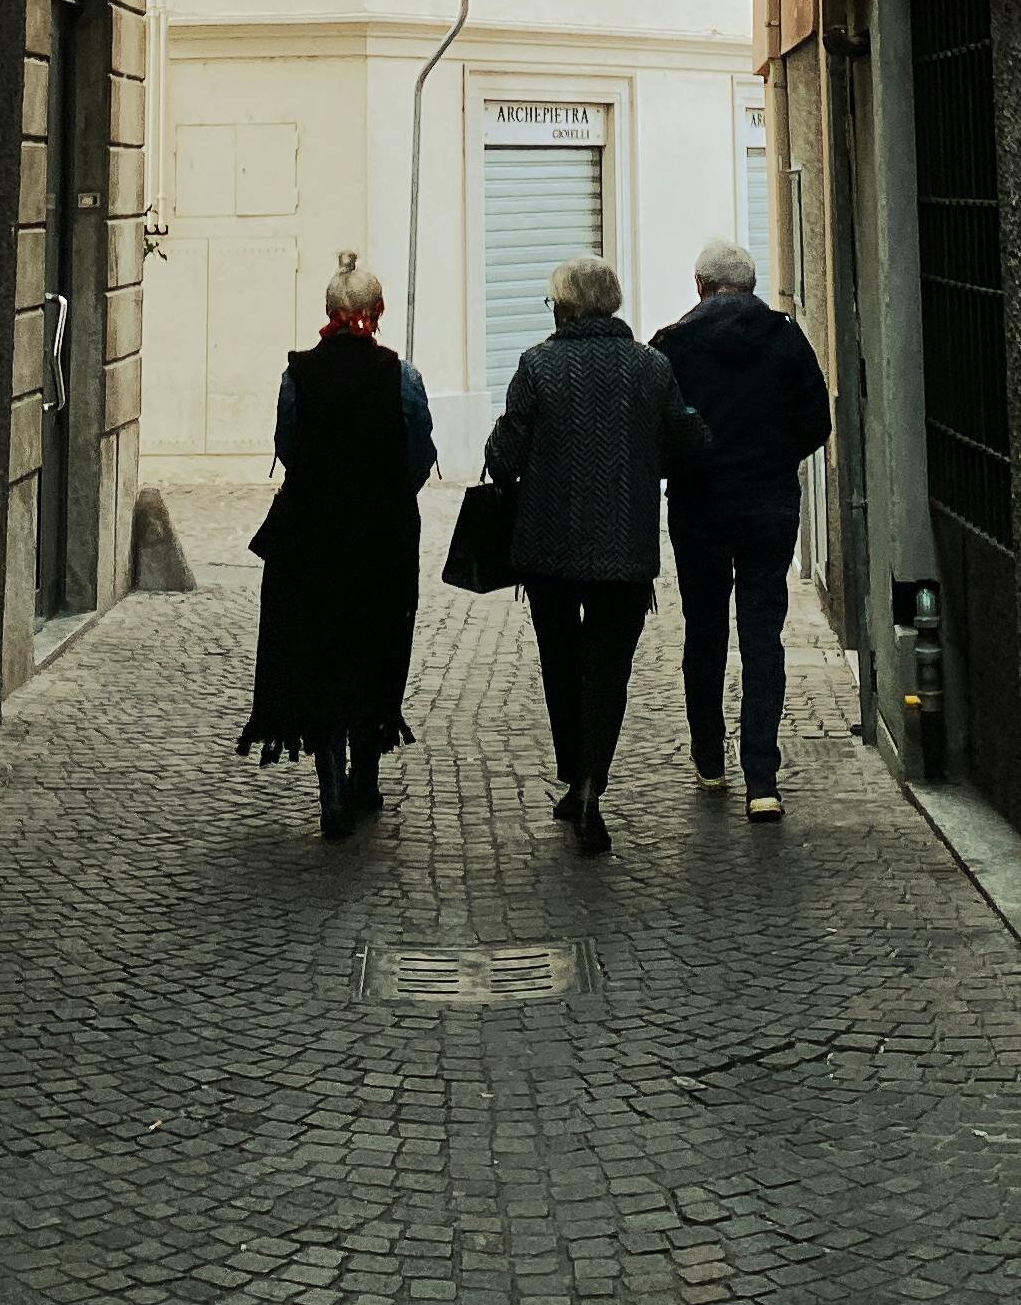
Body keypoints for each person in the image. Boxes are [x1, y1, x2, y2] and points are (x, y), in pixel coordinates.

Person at [484, 254, 709, 858]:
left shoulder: (538, 365)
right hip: (625, 547)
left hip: (549, 552)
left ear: (563, 306)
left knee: (561, 665)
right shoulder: (650, 367)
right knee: (609, 670)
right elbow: (686, 440)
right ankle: (590, 786)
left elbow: (504, 458)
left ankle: (574, 778)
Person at [237, 252, 436, 839]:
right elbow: (419, 458)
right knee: (376, 646)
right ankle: (364, 779)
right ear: (377, 312)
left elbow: (290, 449)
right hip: (383, 540)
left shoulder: (295, 375)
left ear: (328, 312)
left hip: (310, 539)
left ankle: (329, 787)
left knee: (320, 651)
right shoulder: (403, 377)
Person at [653, 240, 832, 823]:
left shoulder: (673, 346)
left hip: (699, 507)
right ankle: (763, 779)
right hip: (768, 505)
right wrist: (773, 458)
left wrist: (686, 466)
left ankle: (709, 759)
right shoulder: (785, 339)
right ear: (751, 286)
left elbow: (658, 431)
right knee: (762, 635)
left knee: (704, 630)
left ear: (699, 285)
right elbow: (816, 422)